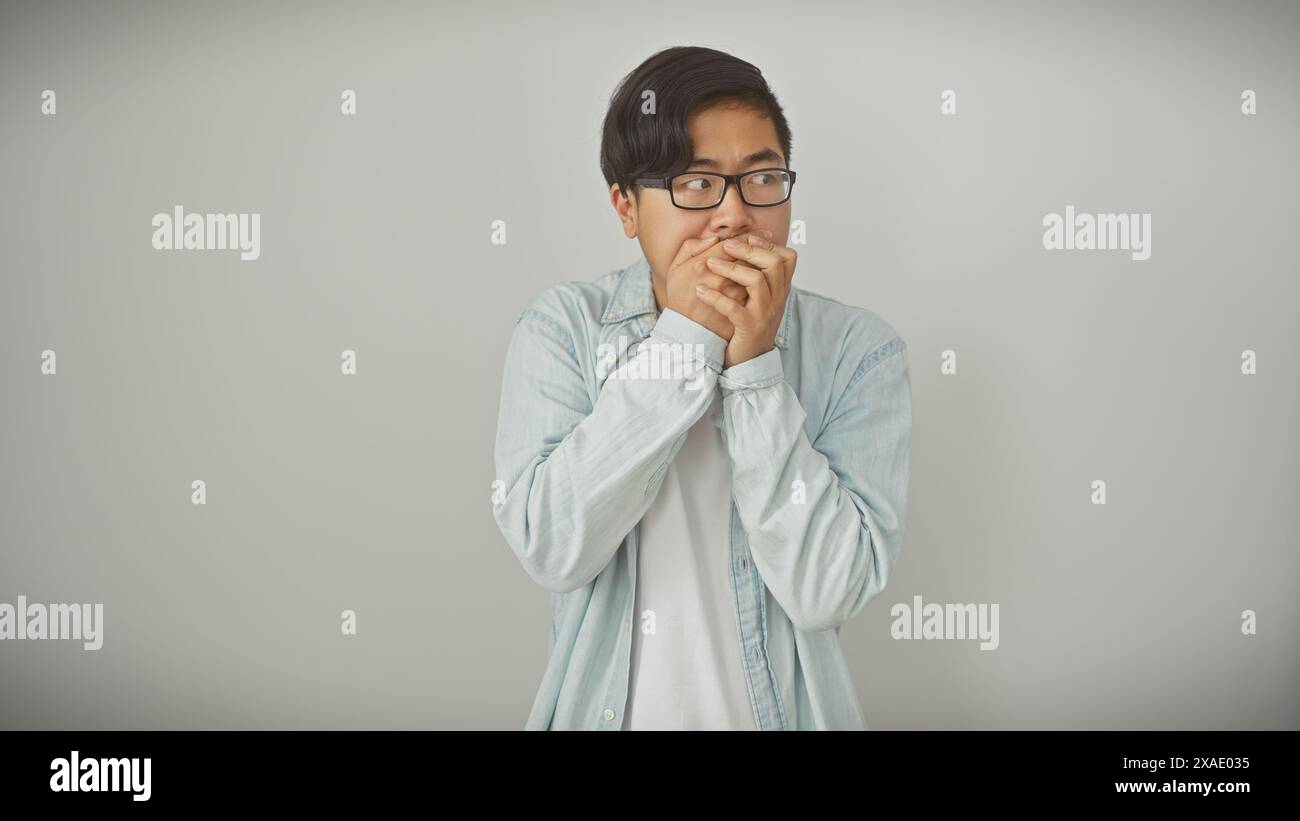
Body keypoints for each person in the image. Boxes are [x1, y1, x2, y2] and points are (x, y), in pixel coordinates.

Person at [491, 45, 912, 730]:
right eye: (695, 182)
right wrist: (687, 338)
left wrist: (755, 369)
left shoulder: (859, 352)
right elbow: (551, 544)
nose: (735, 215)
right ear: (626, 207)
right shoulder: (561, 329)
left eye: (762, 178)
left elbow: (828, 590)